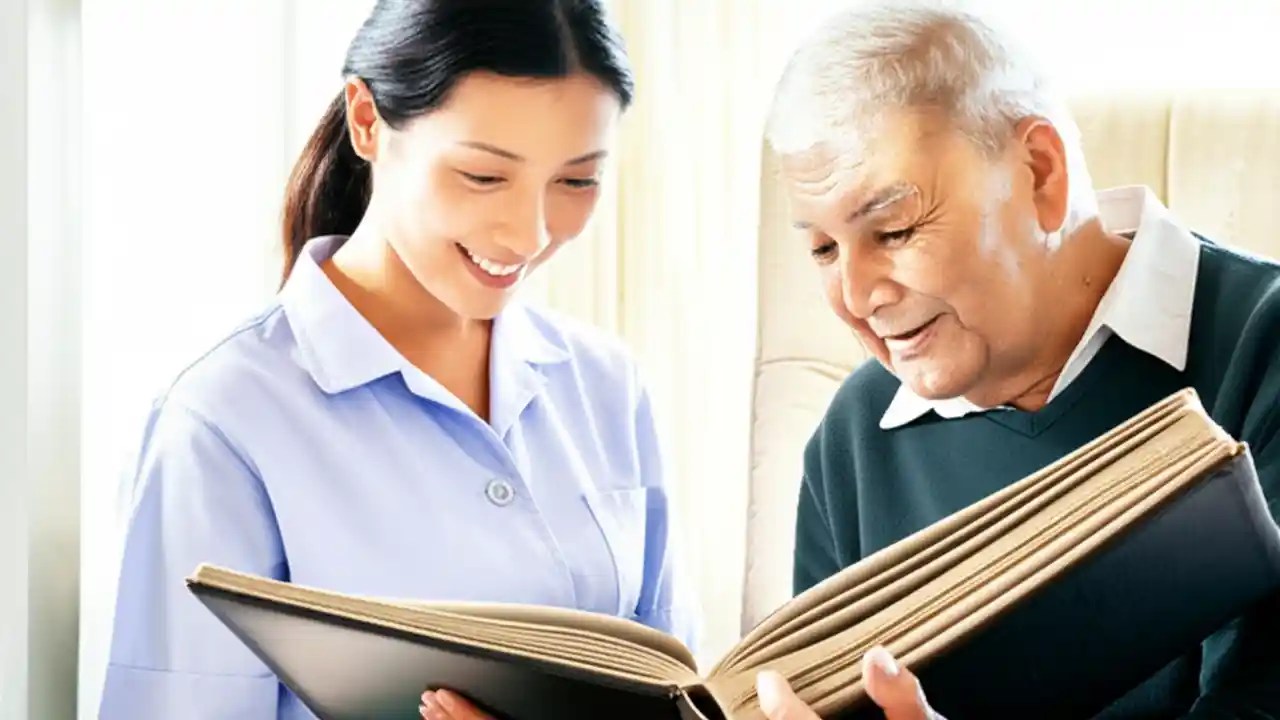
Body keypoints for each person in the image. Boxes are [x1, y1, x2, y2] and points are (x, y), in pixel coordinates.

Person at [98, 1, 698, 718]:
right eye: (483, 176)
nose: (531, 232)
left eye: (576, 181)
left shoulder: (605, 386)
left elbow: (679, 690)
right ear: (367, 121)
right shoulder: (225, 421)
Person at [754, 2, 1280, 719]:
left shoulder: (1261, 349)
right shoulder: (854, 440)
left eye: (895, 228)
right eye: (821, 248)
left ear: (1039, 172)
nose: (855, 296)